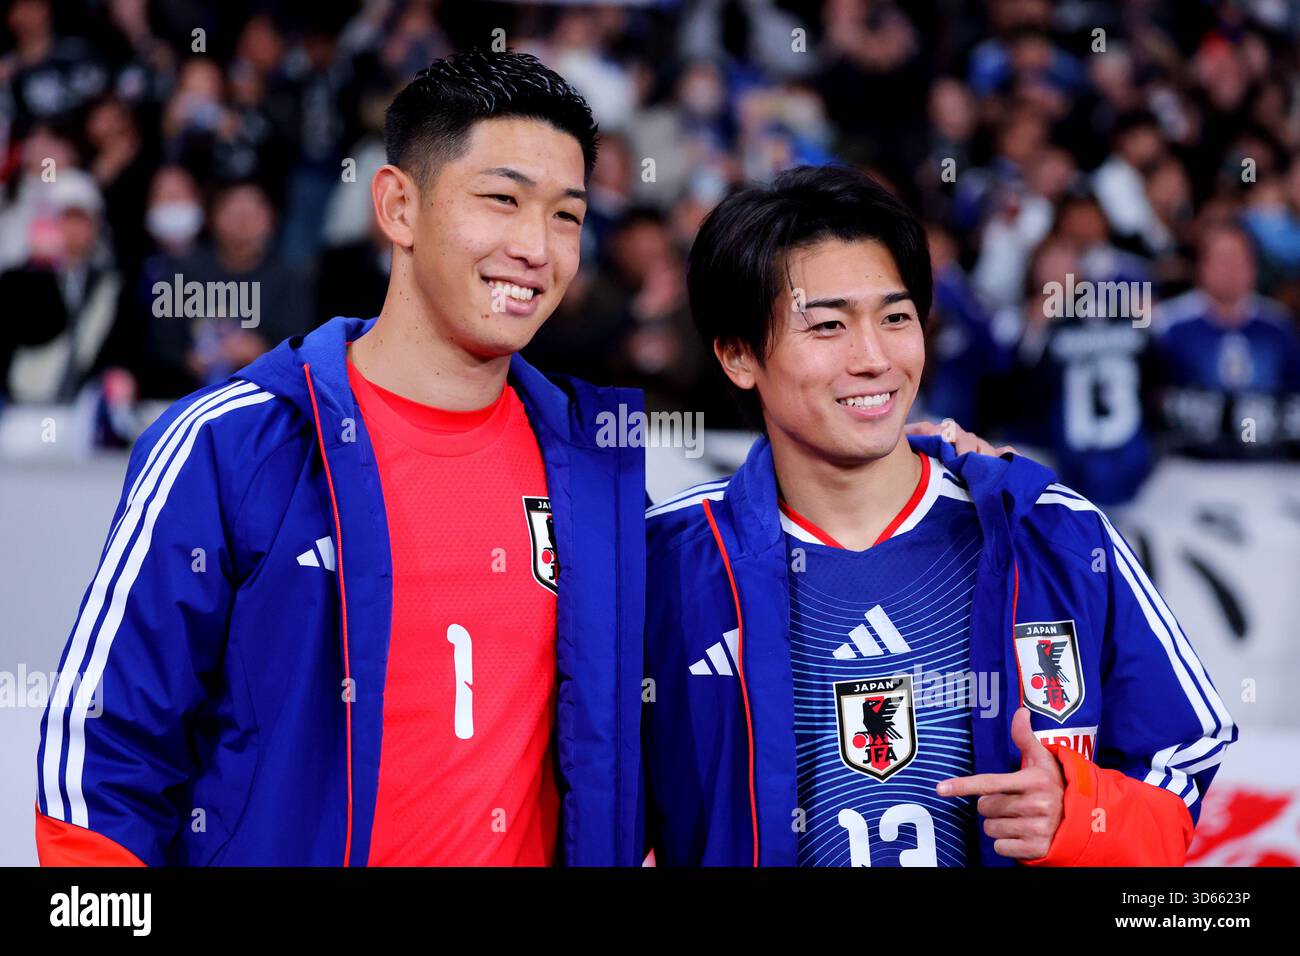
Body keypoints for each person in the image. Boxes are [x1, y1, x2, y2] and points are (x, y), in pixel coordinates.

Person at [35, 48, 646, 867]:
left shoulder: (596, 469)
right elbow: (106, 750)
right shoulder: (234, 443)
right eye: (502, 199)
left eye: (566, 215)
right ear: (397, 207)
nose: (537, 247)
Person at [642, 165, 1236, 866]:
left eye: (896, 318)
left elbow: (1180, 765)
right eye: (828, 325)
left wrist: (1080, 814)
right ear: (739, 355)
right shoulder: (664, 564)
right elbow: (591, 803)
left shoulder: (1051, 531)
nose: (874, 358)